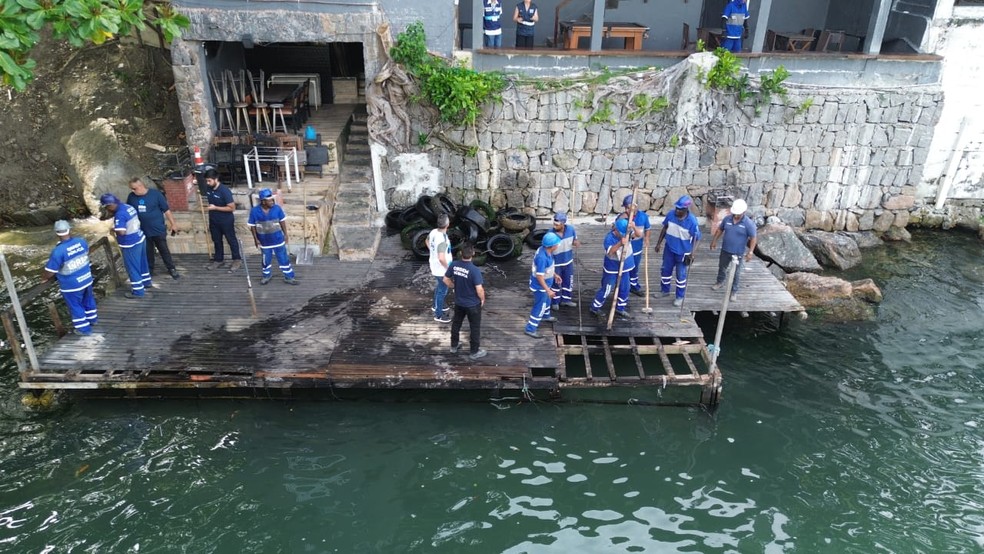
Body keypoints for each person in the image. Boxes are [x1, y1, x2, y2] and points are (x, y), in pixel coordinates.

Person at [42, 220, 97, 335]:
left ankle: (83, 329)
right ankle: (93, 319)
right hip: (86, 278)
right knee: (88, 299)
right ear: (69, 229)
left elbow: (50, 271)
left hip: (72, 284)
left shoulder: (58, 251)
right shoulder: (81, 241)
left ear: (57, 233)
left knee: (75, 305)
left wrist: (45, 278)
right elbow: (85, 254)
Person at [126, 177, 180, 280]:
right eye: (131, 189)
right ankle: (149, 269)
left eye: (134, 188)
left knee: (163, 249)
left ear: (141, 186)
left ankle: (171, 268)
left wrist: (173, 224)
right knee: (147, 251)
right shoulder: (131, 197)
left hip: (157, 229)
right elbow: (129, 212)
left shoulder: (156, 194)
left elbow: (166, 210)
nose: (132, 191)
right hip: (142, 230)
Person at [101, 193, 152, 299]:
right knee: (142, 263)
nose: (107, 209)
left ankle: (138, 291)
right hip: (140, 237)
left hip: (130, 243)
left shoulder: (120, 214)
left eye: (106, 207)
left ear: (110, 205)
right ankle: (146, 282)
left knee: (132, 267)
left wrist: (114, 229)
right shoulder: (128, 207)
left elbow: (122, 232)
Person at [654, 195, 701, 307]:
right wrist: (659, 243)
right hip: (669, 249)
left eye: (679, 209)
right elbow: (664, 228)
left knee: (681, 275)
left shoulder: (692, 222)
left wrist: (692, 254)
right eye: (676, 208)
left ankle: (679, 297)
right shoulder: (670, 215)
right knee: (665, 271)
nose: (677, 210)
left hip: (683, 252)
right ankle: (664, 291)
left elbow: (697, 239)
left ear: (685, 210)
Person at [443, 243, 487, 360]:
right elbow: (479, 289)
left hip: (459, 302)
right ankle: (474, 352)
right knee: (474, 327)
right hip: (473, 304)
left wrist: (453, 286)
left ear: (461, 253)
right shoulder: (474, 270)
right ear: (473, 254)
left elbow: (445, 279)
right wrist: (482, 299)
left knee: (456, 323)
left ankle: (454, 346)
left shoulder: (454, 265)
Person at [709, 198, 757, 302]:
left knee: (736, 272)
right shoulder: (727, 219)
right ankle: (720, 282)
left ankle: (734, 291)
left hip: (738, 253)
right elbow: (720, 230)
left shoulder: (748, 224)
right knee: (722, 267)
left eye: (738, 213)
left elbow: (753, 238)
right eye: (735, 213)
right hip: (725, 250)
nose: (736, 215)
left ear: (743, 212)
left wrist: (750, 252)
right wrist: (714, 241)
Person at [248, 188, 298, 285]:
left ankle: (289, 277)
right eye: (269, 200)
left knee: (283, 259)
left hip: (278, 239)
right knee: (265, 260)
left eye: (272, 199)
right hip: (264, 241)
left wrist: (286, 234)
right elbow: (252, 226)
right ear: (263, 202)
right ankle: (267, 276)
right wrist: (256, 239)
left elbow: (282, 221)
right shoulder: (254, 211)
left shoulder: (277, 209)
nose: (272, 201)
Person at [589, 218, 633, 319]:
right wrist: (620, 243)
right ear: (616, 230)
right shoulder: (609, 238)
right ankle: (595, 307)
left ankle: (620, 308)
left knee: (625, 288)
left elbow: (639, 235)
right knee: (606, 289)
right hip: (612, 268)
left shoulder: (628, 232)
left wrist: (633, 226)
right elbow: (610, 251)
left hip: (625, 266)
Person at [203, 168, 242, 272]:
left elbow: (231, 208)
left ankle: (237, 259)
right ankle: (218, 259)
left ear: (216, 179)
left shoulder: (224, 191)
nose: (207, 183)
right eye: (206, 181)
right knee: (216, 240)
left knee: (231, 240)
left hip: (226, 220)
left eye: (209, 180)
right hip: (213, 220)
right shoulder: (208, 188)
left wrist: (215, 208)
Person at [525, 231, 560, 338]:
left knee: (547, 301)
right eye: (557, 243)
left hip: (547, 283)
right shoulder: (542, 258)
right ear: (552, 246)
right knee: (540, 306)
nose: (558, 245)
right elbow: (540, 276)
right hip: (540, 287)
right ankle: (530, 328)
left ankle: (546, 316)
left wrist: (555, 275)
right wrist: (548, 290)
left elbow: (547, 269)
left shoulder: (545, 250)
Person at [617, 195, 651, 298]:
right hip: (625, 248)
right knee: (624, 268)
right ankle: (622, 286)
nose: (627, 210)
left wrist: (647, 238)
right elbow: (616, 230)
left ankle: (634, 285)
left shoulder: (644, 217)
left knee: (635, 267)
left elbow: (647, 229)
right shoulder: (622, 217)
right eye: (626, 208)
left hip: (636, 248)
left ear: (635, 206)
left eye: (628, 207)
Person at [550, 212, 579, 309]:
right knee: (556, 283)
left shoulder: (571, 229)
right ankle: (555, 301)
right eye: (554, 223)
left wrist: (576, 242)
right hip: (556, 263)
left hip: (568, 261)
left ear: (563, 224)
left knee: (568, 281)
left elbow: (575, 240)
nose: (554, 226)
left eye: (557, 225)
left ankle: (566, 300)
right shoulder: (550, 234)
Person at [428, 213, 452, 323]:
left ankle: (436, 305)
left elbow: (427, 241)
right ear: (448, 225)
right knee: (442, 291)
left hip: (434, 265)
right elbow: (441, 258)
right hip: (441, 269)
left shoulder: (434, 232)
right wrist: (448, 268)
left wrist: (432, 251)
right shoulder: (442, 240)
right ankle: (438, 315)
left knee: (440, 287)